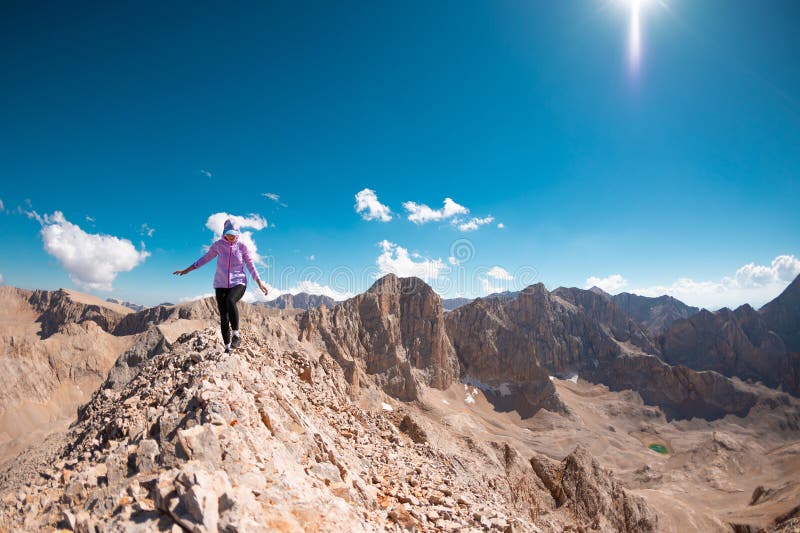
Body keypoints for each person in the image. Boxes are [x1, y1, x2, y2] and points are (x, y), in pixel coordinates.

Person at [173, 219, 269, 352]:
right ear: (224, 233)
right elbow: (204, 259)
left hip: (238, 282)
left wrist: (259, 282)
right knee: (224, 316)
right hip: (220, 284)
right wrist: (186, 270)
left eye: (233, 234)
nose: (230, 236)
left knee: (230, 300)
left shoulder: (242, 247)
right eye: (228, 233)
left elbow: (251, 265)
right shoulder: (218, 245)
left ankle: (236, 335)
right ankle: (227, 348)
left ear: (238, 233)